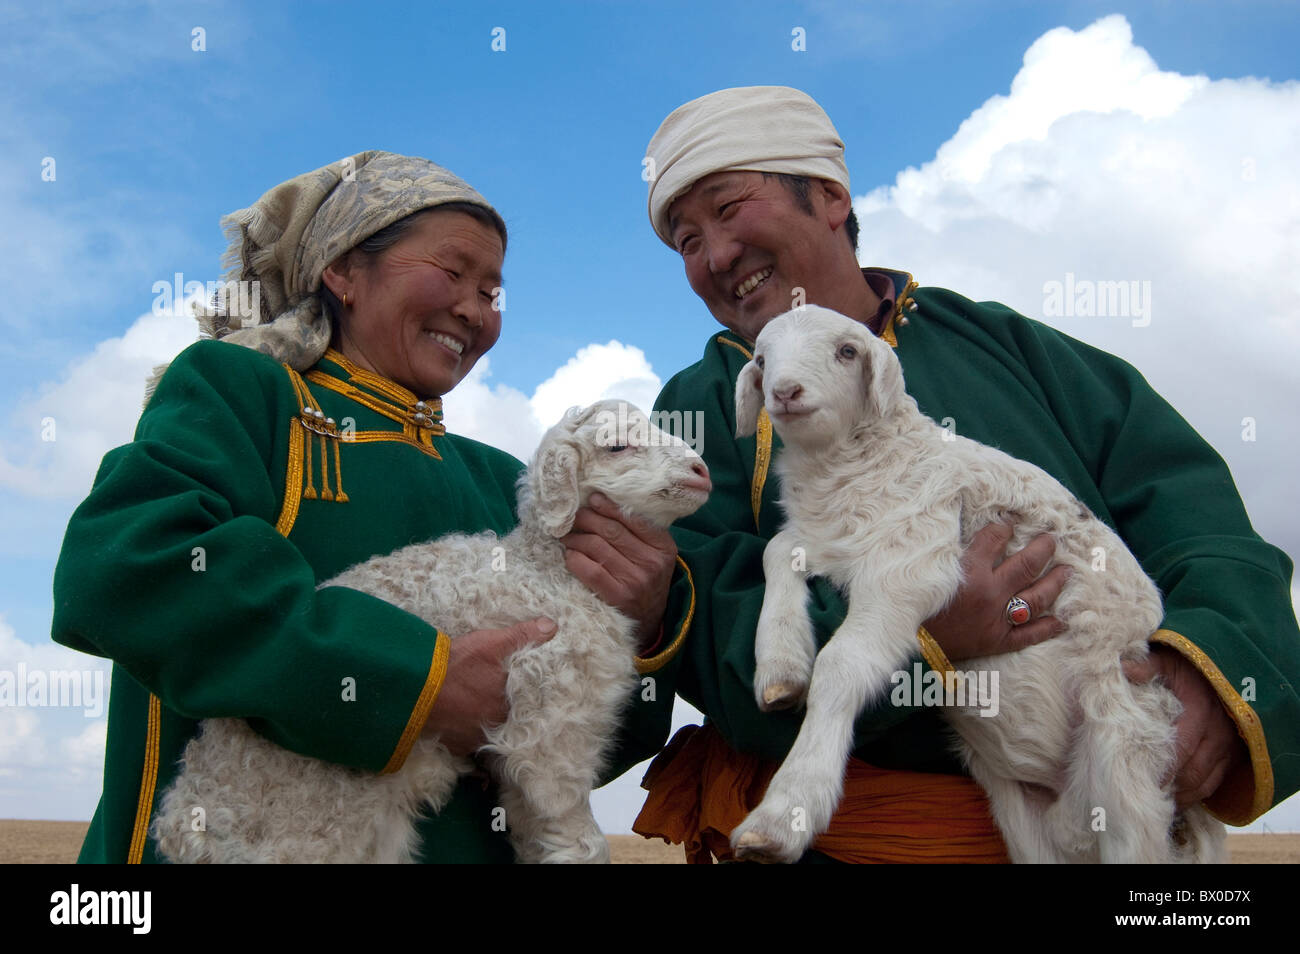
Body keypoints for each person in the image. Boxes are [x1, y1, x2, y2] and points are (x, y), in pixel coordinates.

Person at [617, 86, 1299, 863]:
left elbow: (1201, 523)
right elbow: (688, 605)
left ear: (831, 197)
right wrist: (924, 633)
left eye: (729, 207)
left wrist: (1207, 669)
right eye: (685, 241)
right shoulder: (699, 406)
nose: (714, 256)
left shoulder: (1017, 350)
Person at [50, 151, 673, 863]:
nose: (473, 307)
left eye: (494, 290)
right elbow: (126, 571)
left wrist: (642, 623)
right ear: (342, 272)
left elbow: (579, 742)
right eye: (453, 271)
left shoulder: (511, 483)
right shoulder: (243, 393)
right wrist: (417, 684)